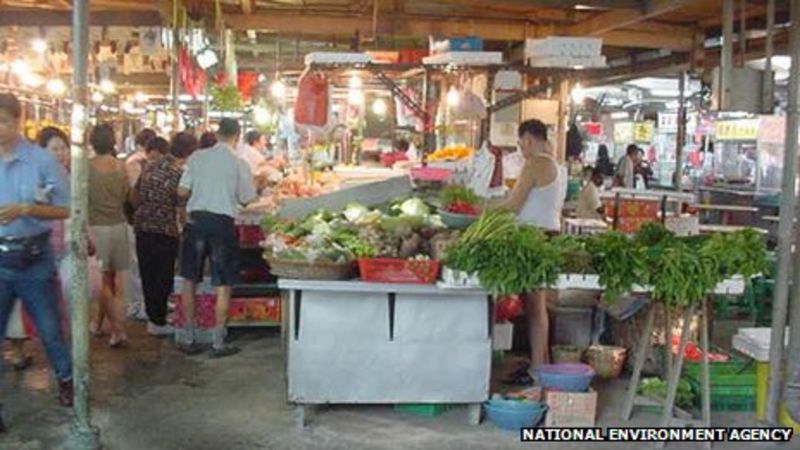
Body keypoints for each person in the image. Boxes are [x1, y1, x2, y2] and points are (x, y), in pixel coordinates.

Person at [0, 94, 74, 433]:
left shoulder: (41, 161)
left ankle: (67, 380)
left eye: (4, 121)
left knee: (49, 328)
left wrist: (27, 209)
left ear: (18, 121)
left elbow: (66, 207)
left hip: (35, 258)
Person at [177, 118, 256, 357]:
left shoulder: (197, 157)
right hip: (222, 224)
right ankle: (218, 342)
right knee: (223, 283)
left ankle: (189, 337)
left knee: (190, 280)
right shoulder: (239, 163)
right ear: (237, 136)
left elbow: (182, 190)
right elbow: (247, 198)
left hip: (196, 222)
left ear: (217, 134)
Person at [494, 119, 567, 372]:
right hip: (545, 236)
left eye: (521, 144)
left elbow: (514, 205)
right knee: (536, 304)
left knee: (535, 305)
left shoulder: (536, 163)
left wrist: (482, 212)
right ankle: (540, 363)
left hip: (536, 239)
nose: (521, 149)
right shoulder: (555, 165)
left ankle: (538, 368)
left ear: (528, 139)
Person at [133, 132, 197, 336]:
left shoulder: (151, 166)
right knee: (163, 274)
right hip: (164, 229)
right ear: (189, 153)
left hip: (142, 225)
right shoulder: (178, 174)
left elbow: (134, 195)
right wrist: (186, 227)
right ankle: (158, 321)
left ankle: (154, 314)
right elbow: (182, 208)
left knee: (148, 273)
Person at [88, 123, 130, 348]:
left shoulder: (85, 167)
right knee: (113, 281)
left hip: (97, 229)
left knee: (103, 282)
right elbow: (125, 196)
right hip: (119, 226)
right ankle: (98, 323)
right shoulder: (121, 166)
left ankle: (118, 329)